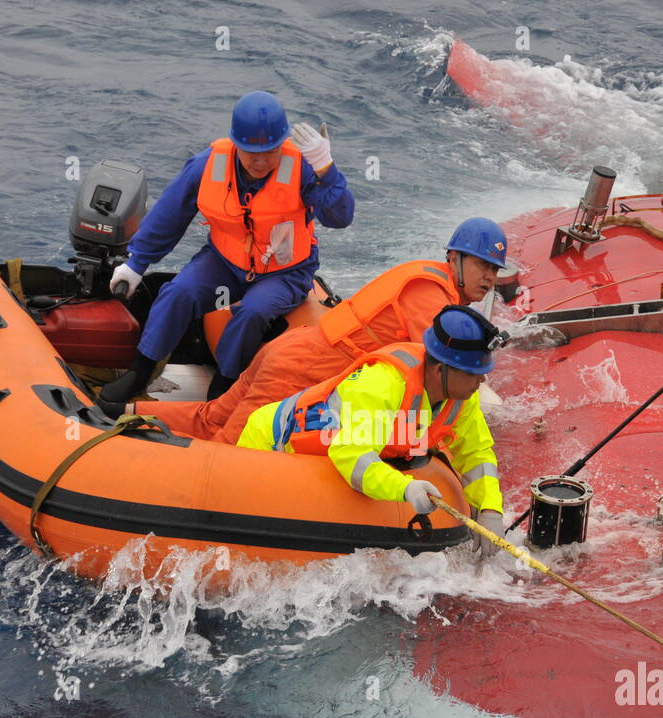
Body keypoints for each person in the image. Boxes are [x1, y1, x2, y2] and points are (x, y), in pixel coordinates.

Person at [115, 217, 509, 443]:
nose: (490, 278)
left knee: (212, 416)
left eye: (494, 271)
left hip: (295, 348)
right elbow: (441, 372)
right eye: (482, 267)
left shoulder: (426, 277)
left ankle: (118, 413)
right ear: (454, 259)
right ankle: (139, 464)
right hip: (304, 368)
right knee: (230, 444)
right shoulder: (433, 296)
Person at [101, 90, 355, 404]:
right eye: (251, 152)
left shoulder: (303, 168)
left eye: (270, 151)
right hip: (224, 262)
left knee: (252, 311)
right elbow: (170, 214)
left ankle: (226, 383)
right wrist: (137, 263)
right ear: (236, 144)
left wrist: (326, 169)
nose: (260, 161)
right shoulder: (207, 165)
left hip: (284, 273)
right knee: (178, 292)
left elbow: (340, 217)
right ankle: (140, 372)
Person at [238, 305, 508, 556]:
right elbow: (352, 455)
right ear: (440, 370)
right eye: (474, 373)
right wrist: (404, 489)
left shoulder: (462, 397)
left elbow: (477, 453)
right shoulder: (381, 384)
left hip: (321, 456)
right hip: (271, 444)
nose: (482, 380)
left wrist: (490, 508)